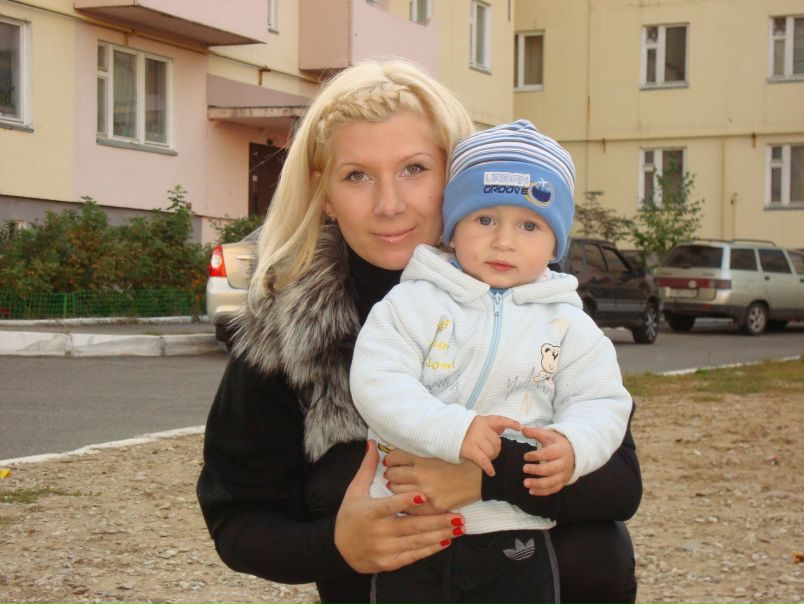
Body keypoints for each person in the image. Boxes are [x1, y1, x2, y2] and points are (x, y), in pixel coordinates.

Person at [196, 58, 642, 604]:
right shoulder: (287, 330)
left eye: (414, 169)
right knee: (343, 476)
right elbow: (236, 517)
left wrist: (489, 478)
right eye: (357, 176)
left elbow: (620, 484)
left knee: (598, 544)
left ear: (454, 177)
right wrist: (337, 546)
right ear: (325, 192)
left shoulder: (533, 299)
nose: (390, 205)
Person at [350, 120, 632, 603]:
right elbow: (377, 382)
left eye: (529, 225)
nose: (504, 241)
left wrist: (574, 444)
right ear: (452, 227)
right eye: (484, 219)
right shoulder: (413, 303)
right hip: (413, 523)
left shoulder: (569, 324)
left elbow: (602, 401)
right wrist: (452, 429)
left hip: (515, 529)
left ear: (556, 243)